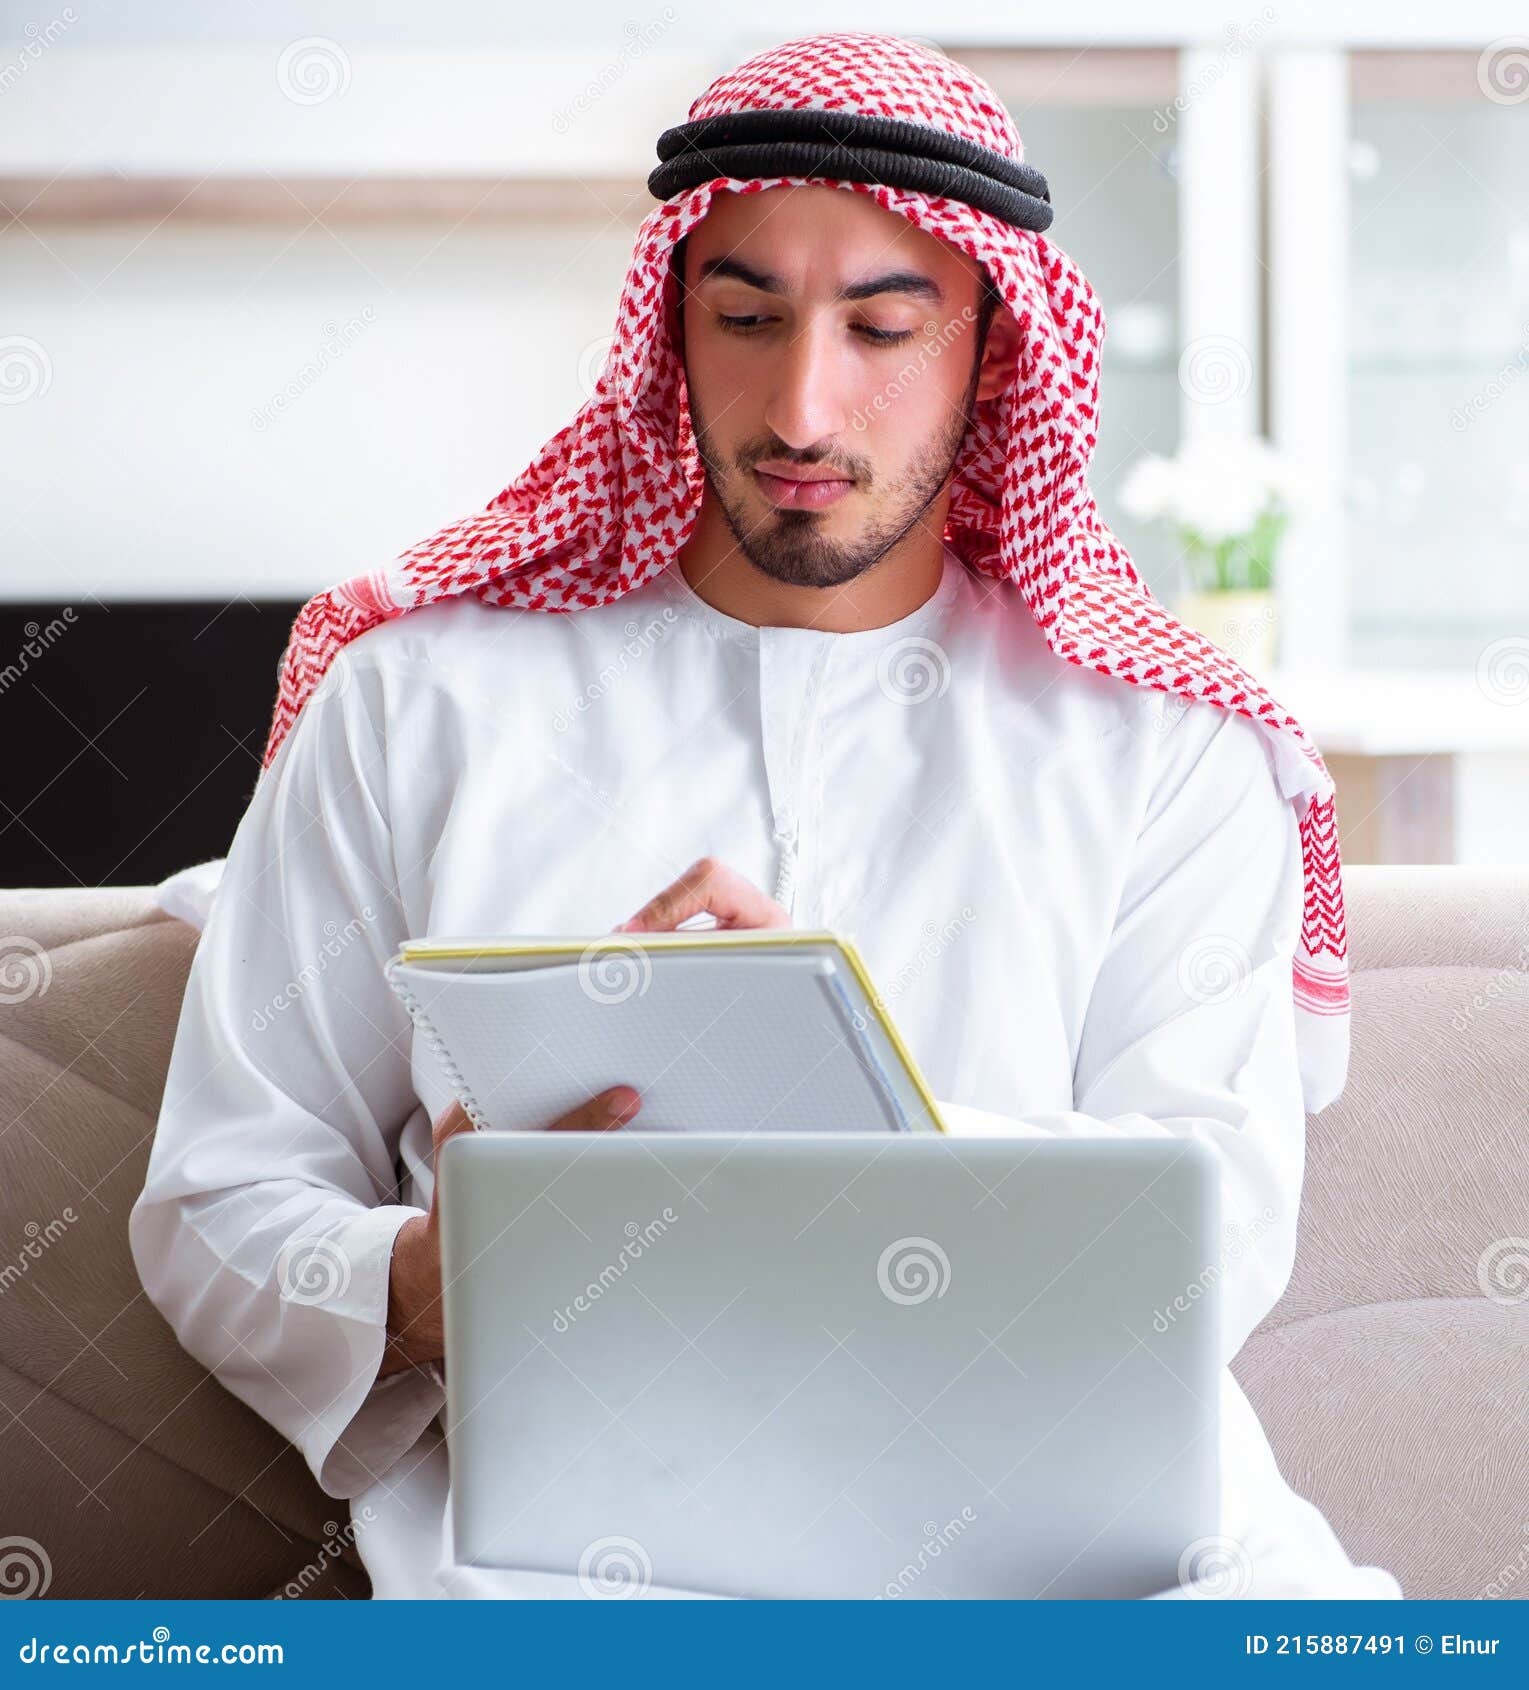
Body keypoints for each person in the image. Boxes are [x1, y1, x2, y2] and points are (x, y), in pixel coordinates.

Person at [131, 32, 1400, 1600]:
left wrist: (826, 1126)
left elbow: (1202, 1250)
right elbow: (214, 1203)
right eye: (745, 319)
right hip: (582, 1572)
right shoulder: (417, 704)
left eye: (881, 326)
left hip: (1110, 1555)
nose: (802, 406)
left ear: (996, 349)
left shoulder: (1166, 746)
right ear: (671, 333)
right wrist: (438, 1270)